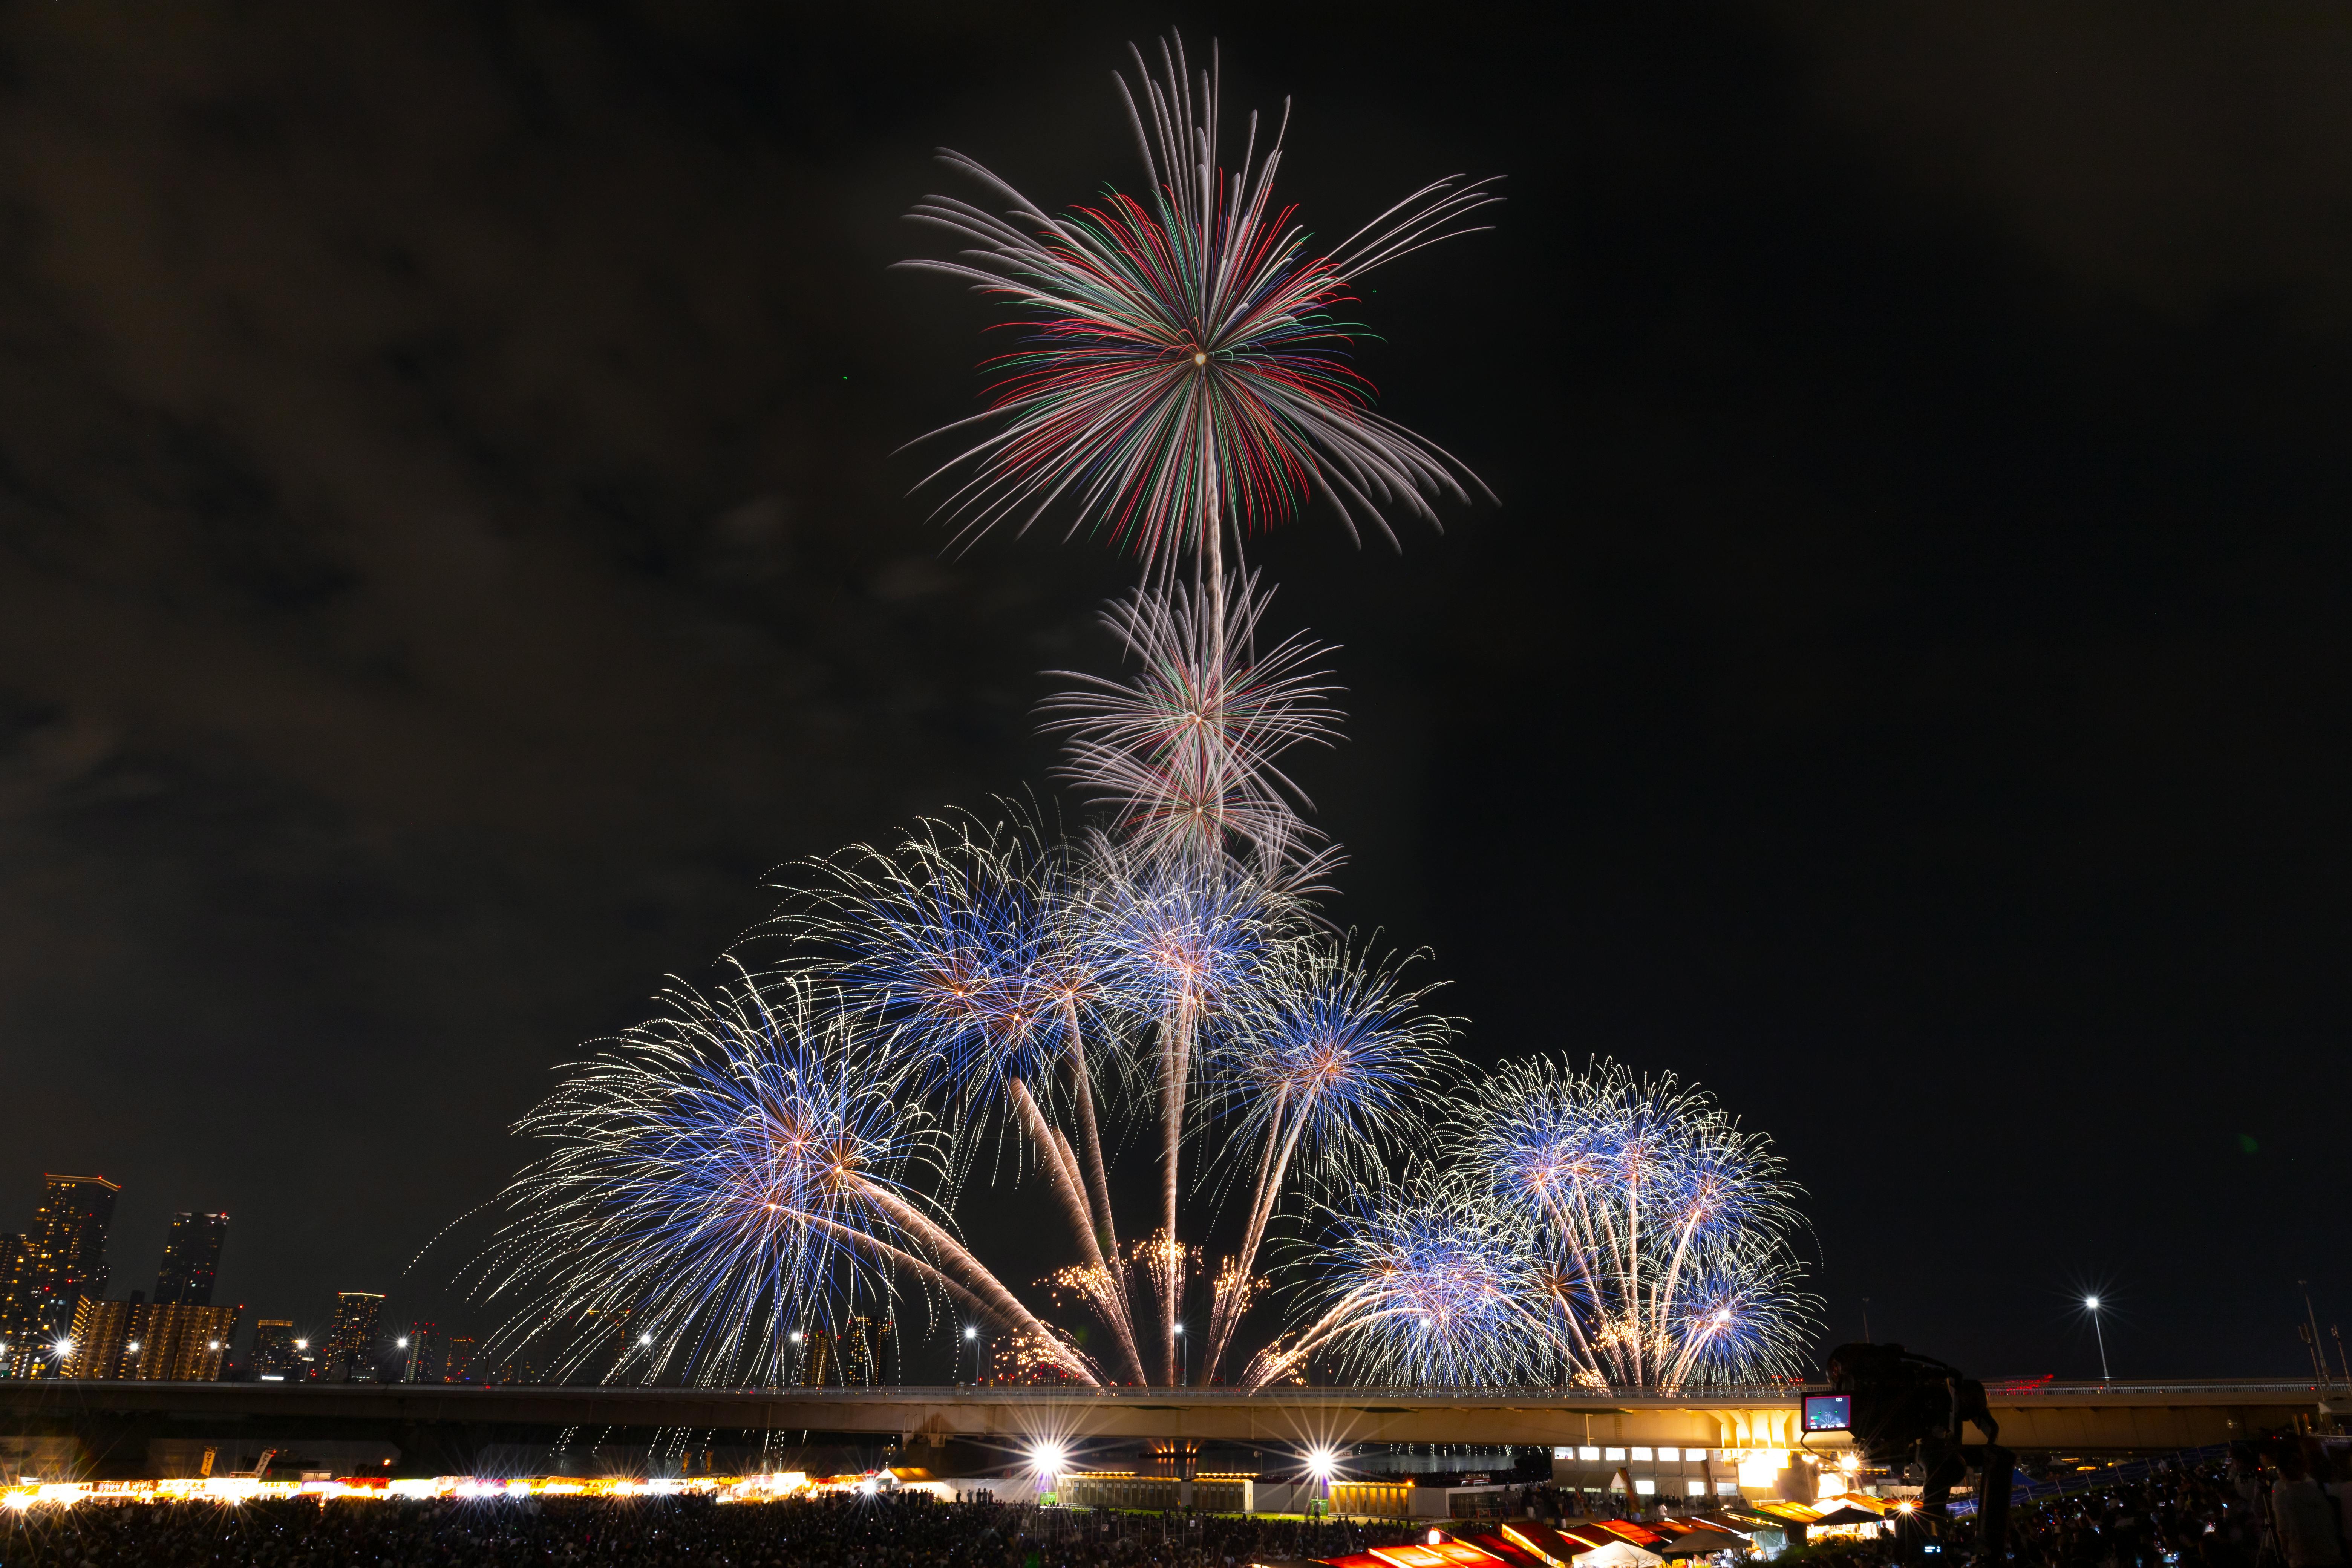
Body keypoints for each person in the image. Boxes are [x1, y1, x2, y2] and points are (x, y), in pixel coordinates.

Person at [2268, 1440, 2347, 1568]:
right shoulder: (2317, 1490)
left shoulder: (2282, 1497)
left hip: (2303, 1558)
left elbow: (2283, 1531)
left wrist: (2285, 1553)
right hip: (2330, 1554)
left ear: (2281, 1472)